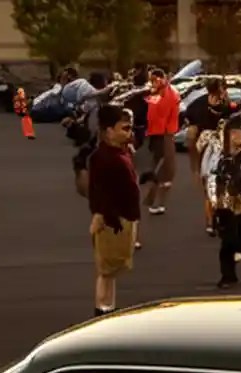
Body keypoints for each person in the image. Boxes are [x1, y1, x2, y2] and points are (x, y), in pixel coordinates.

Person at [87, 105, 140, 317]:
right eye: (124, 129)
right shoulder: (102, 157)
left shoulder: (121, 151)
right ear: (109, 131)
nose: (129, 133)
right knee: (106, 270)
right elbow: (97, 191)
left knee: (113, 269)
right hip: (112, 219)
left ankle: (110, 306)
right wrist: (99, 215)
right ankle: (102, 309)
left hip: (124, 216)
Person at [206, 114, 241, 289]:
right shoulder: (220, 154)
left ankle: (240, 251)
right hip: (224, 200)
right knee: (227, 239)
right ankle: (227, 275)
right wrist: (213, 198)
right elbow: (211, 176)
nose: (234, 136)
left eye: (238, 132)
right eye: (232, 133)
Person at [185, 76, 236, 235]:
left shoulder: (198, 104)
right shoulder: (229, 107)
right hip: (217, 149)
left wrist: (193, 164)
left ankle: (211, 222)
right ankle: (218, 219)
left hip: (206, 149)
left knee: (211, 187)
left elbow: (191, 135)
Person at [140, 68, 180, 215]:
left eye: (153, 80)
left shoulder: (167, 94)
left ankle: (156, 201)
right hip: (160, 135)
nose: (151, 83)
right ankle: (155, 201)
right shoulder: (162, 93)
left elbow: (157, 112)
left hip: (163, 135)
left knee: (163, 170)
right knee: (162, 169)